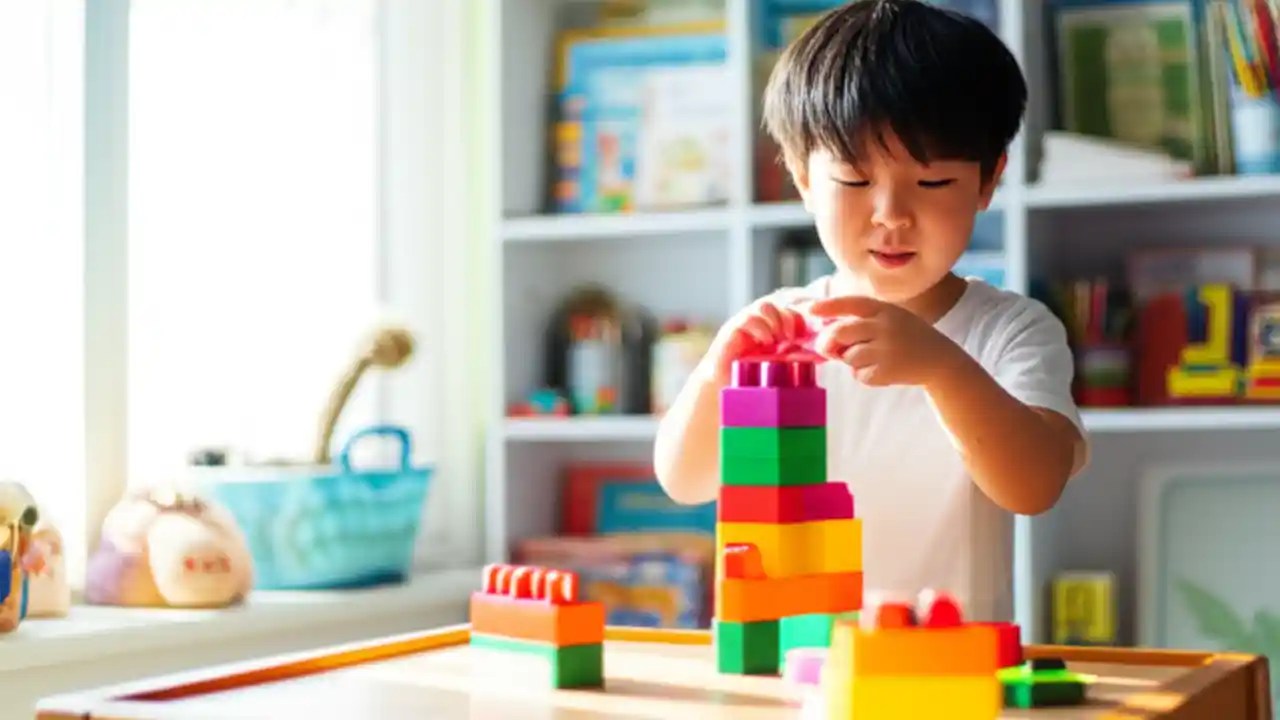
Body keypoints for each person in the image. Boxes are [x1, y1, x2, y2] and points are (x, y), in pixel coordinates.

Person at [652, 0, 1089, 622]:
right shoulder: (774, 328)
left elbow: (1033, 485)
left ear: (989, 181)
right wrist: (716, 375)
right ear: (802, 178)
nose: (890, 214)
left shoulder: (1011, 330)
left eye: (932, 184)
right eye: (855, 182)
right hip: (788, 661)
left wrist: (941, 367)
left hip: (945, 670)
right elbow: (684, 481)